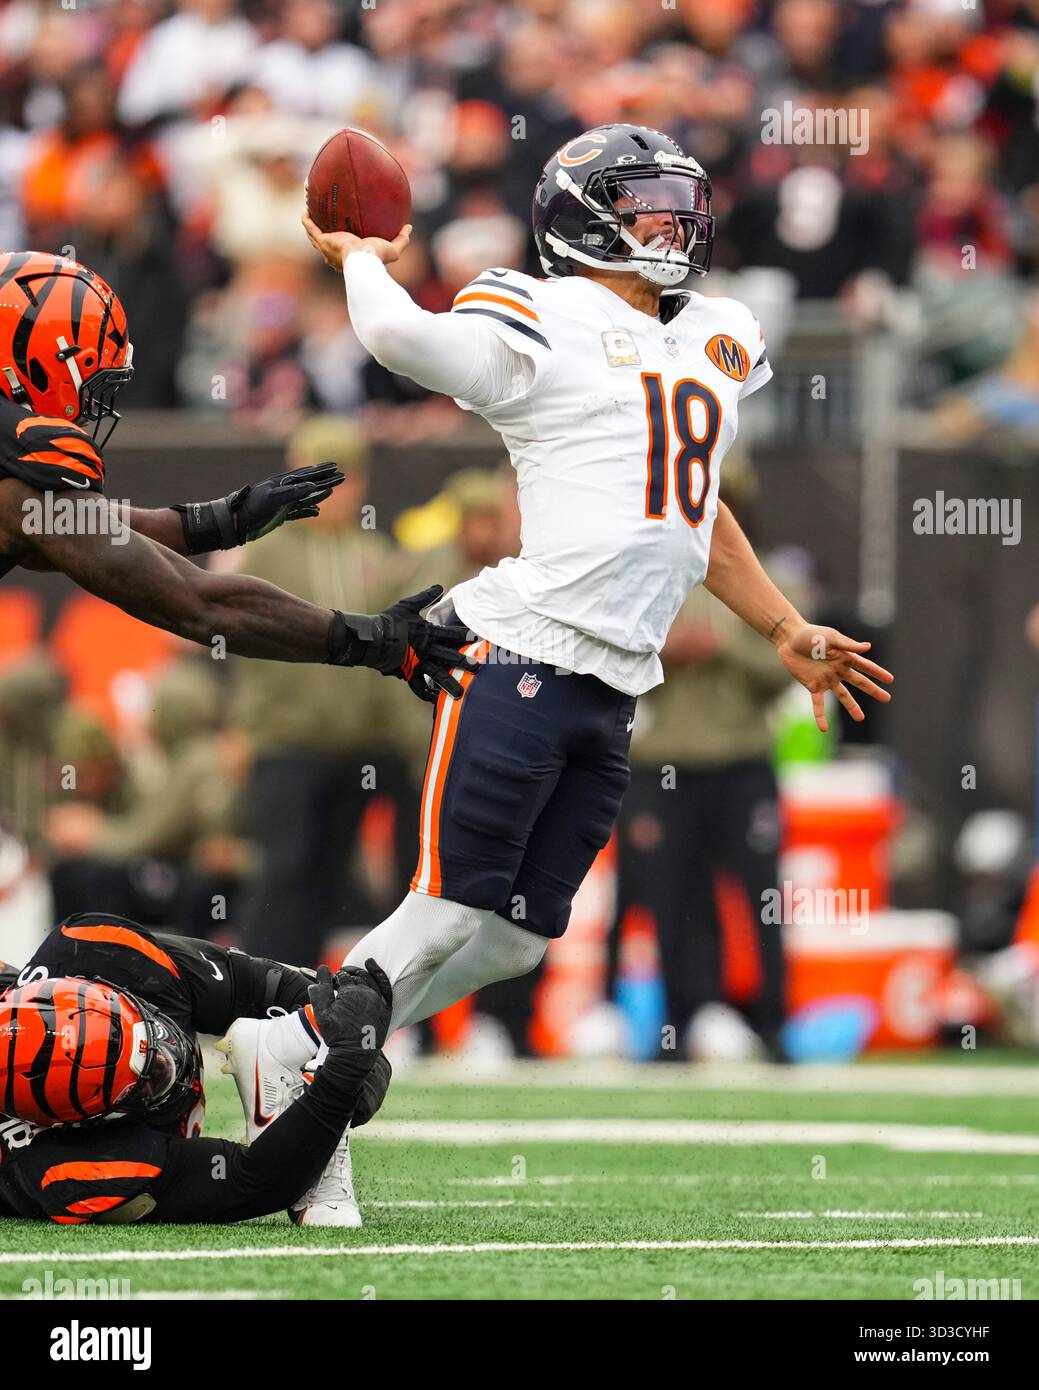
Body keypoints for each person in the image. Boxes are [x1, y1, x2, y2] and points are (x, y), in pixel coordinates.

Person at [292, 121, 894, 1223]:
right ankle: (307, 1081)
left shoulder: (711, 334)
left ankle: (300, 1040)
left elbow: (693, 515)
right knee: (439, 912)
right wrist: (362, 252)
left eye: (679, 200)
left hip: (609, 680)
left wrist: (778, 625)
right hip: (516, 650)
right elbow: (400, 341)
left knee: (516, 939)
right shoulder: (544, 314)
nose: (677, 221)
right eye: (650, 202)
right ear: (584, 217)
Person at [0, 251, 473, 704]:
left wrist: (223, 520)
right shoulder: (22, 485)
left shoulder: (20, 487)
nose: (92, 409)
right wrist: (374, 640)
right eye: (93, 383)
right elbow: (197, 605)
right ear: (32, 367)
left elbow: (82, 525)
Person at [0, 913, 391, 1226]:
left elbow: (253, 983)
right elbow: (257, 1181)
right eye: (149, 1077)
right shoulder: (69, 1165)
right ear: (86, 1121)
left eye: (153, 1038)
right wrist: (341, 1078)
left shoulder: (95, 951)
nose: (171, 1060)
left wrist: (335, 1023)